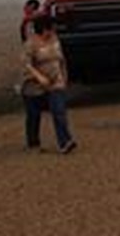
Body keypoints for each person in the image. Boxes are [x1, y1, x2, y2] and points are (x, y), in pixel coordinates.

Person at [20, 14, 77, 154]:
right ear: (44, 29)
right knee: (34, 116)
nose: (54, 31)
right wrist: (39, 77)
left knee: (59, 112)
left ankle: (65, 142)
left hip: (55, 82)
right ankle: (33, 143)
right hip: (34, 86)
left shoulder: (55, 40)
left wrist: (64, 76)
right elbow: (25, 64)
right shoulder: (30, 44)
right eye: (52, 28)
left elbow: (61, 59)